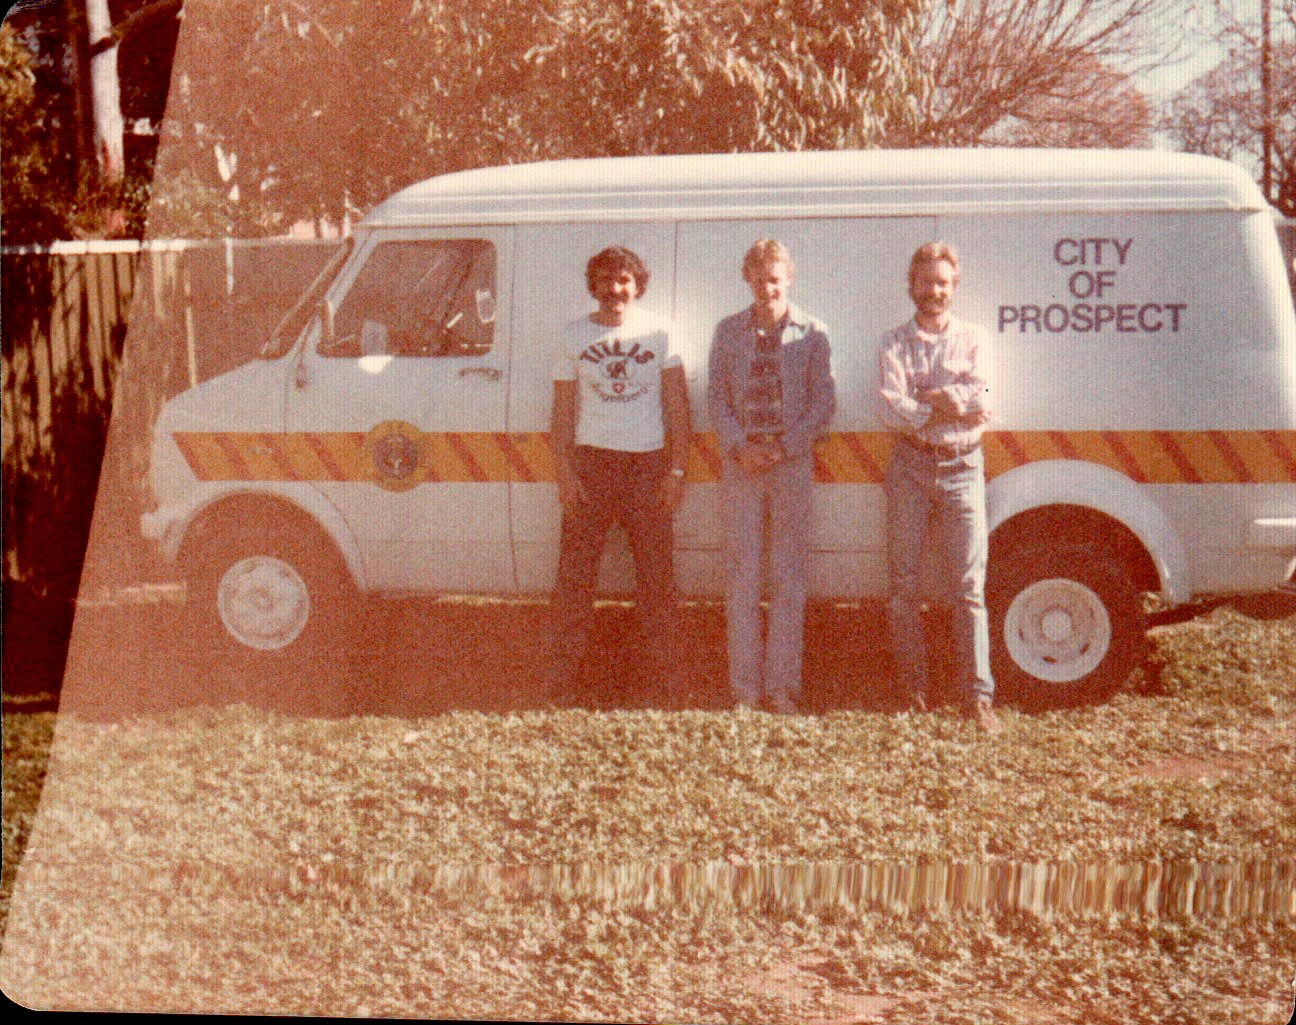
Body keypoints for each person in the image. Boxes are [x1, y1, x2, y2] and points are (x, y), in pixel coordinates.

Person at [548, 246, 691, 706]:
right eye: (607, 281)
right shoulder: (572, 337)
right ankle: (563, 684)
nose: (616, 291)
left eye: (625, 281)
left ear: (637, 286)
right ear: (594, 286)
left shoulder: (661, 334)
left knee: (657, 581)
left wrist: (676, 471)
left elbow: (678, 409)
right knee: (574, 579)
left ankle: (664, 686)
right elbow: (563, 411)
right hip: (592, 467)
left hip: (647, 467)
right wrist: (565, 475)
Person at [878, 241, 1000, 734]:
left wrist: (931, 399)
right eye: (926, 282)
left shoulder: (975, 338)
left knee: (969, 588)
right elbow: (889, 406)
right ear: (912, 284)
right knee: (903, 585)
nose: (934, 292)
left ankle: (978, 698)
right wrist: (954, 401)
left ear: (955, 286)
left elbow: (987, 397)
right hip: (908, 467)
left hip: (962, 466)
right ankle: (912, 690)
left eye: (943, 283)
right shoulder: (892, 342)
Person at [707, 239, 835, 713]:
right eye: (759, 278)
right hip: (742, 468)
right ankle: (744, 690)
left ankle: (781, 687)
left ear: (789, 278)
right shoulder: (727, 331)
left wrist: (783, 448)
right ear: (748, 278)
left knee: (788, 579)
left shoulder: (813, 333)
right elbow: (716, 398)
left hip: (790, 467)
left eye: (775, 278)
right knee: (741, 579)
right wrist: (740, 447)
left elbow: (824, 403)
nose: (767, 287)